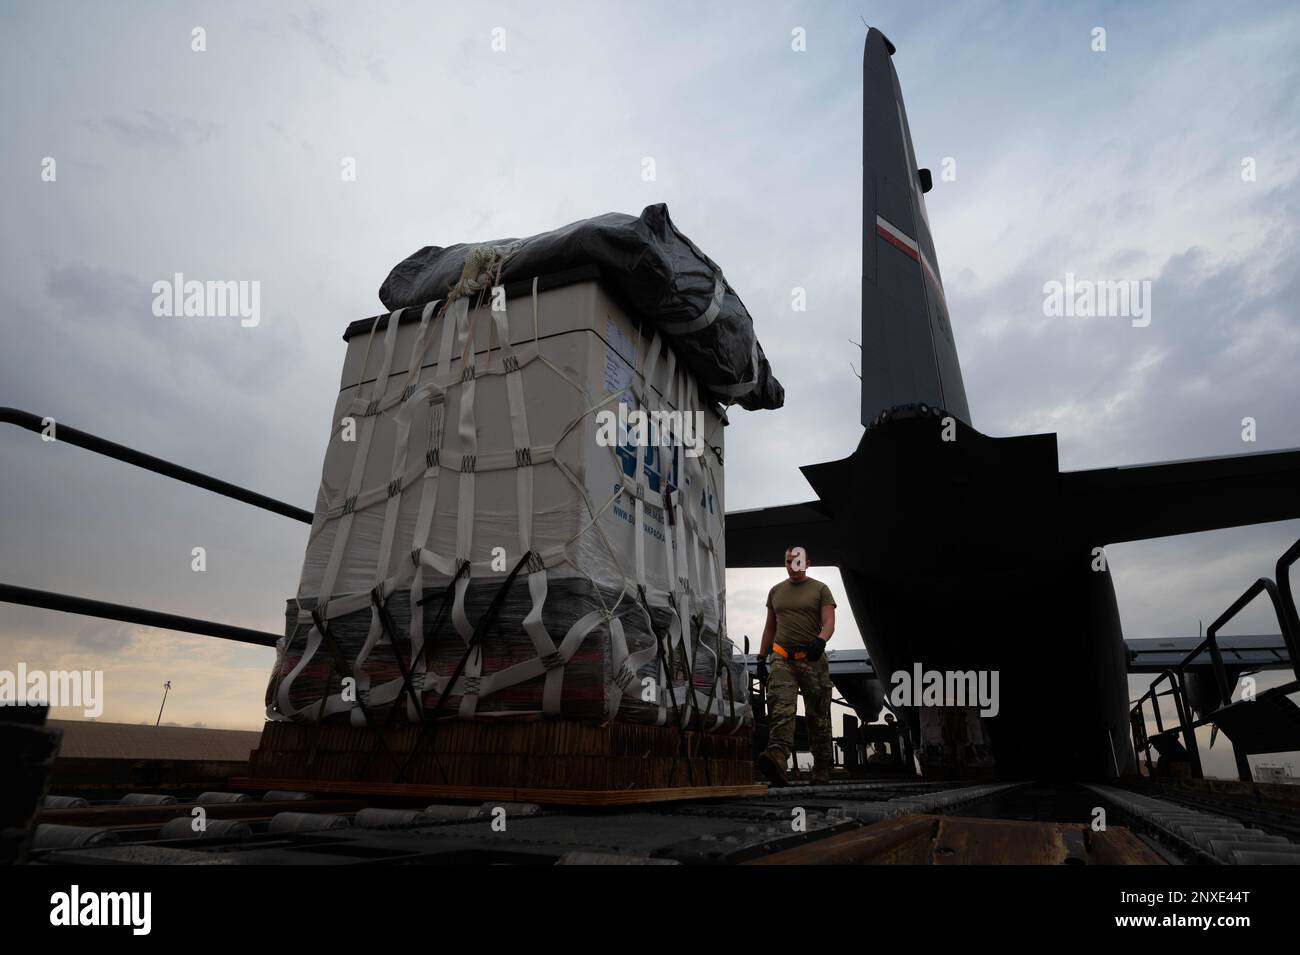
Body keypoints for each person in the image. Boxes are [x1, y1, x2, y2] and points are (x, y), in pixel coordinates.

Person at [755, 545, 836, 786]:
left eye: (798, 562)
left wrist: (821, 640)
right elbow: (770, 627)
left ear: (807, 563)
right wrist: (761, 657)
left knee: (818, 715)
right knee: (781, 709)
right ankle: (777, 761)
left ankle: (821, 767)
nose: (793, 566)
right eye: (788, 562)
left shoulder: (820, 589)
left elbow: (829, 621)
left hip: (812, 659)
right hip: (782, 658)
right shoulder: (776, 591)